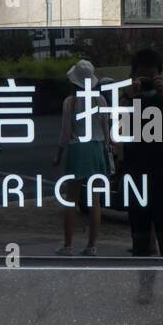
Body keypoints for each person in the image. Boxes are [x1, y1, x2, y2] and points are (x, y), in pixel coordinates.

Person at [122, 49, 163, 257]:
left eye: (151, 75)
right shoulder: (128, 99)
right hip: (137, 176)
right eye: (142, 75)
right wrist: (130, 98)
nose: (146, 80)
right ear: (133, 75)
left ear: (160, 75)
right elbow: (117, 131)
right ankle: (144, 288)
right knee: (139, 240)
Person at [53, 60, 117, 255]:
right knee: (95, 200)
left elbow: (65, 134)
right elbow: (107, 131)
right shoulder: (101, 101)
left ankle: (68, 245)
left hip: (77, 150)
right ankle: (92, 246)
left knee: (71, 199)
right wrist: (110, 150)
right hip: (97, 149)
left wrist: (58, 156)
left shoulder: (70, 102)